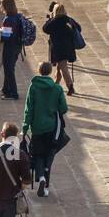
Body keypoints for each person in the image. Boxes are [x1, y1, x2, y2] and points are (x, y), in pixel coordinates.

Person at [23, 60, 68, 198]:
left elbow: (28, 109)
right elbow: (64, 108)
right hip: (52, 128)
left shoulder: (33, 87)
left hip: (36, 127)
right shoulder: (57, 88)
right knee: (50, 153)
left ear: (39, 70)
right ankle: (46, 182)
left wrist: (25, 127)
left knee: (37, 155)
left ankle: (41, 176)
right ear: (50, 72)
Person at [42, 1, 80, 95]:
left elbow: (45, 29)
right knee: (60, 67)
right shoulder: (69, 20)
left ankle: (70, 86)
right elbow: (78, 28)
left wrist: (50, 19)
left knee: (63, 68)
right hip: (68, 48)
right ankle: (56, 84)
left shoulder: (54, 21)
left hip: (58, 49)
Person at [0, 0, 22, 100]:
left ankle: (13, 93)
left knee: (9, 70)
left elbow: (6, 36)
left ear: (5, 6)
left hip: (10, 47)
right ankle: (5, 89)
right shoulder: (18, 16)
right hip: (17, 46)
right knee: (10, 68)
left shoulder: (8, 19)